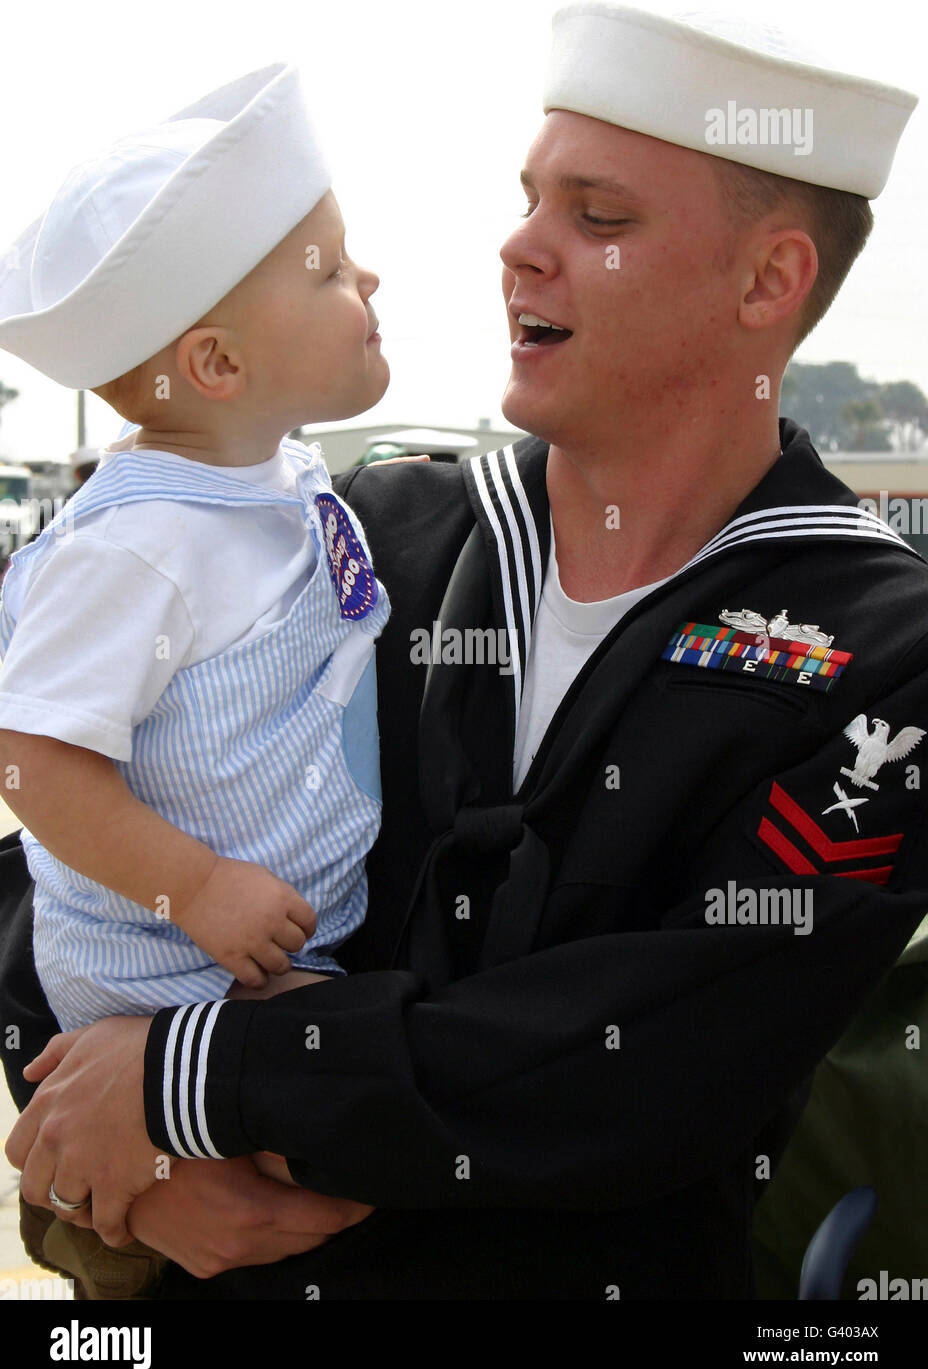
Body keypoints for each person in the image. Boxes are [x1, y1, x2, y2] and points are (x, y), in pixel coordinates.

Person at [2, 3, 926, 1300]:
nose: (519, 246)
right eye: (529, 199)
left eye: (596, 218)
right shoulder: (362, 539)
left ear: (767, 282)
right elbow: (59, 851)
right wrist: (136, 1160)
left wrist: (194, 1080)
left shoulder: (878, 653)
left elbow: (662, 1055)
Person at [0, 62, 395, 1290]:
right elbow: (31, 756)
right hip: (171, 980)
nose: (366, 279)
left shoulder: (271, 492)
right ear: (217, 366)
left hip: (257, 981)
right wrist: (196, 886)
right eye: (326, 270)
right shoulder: (138, 544)